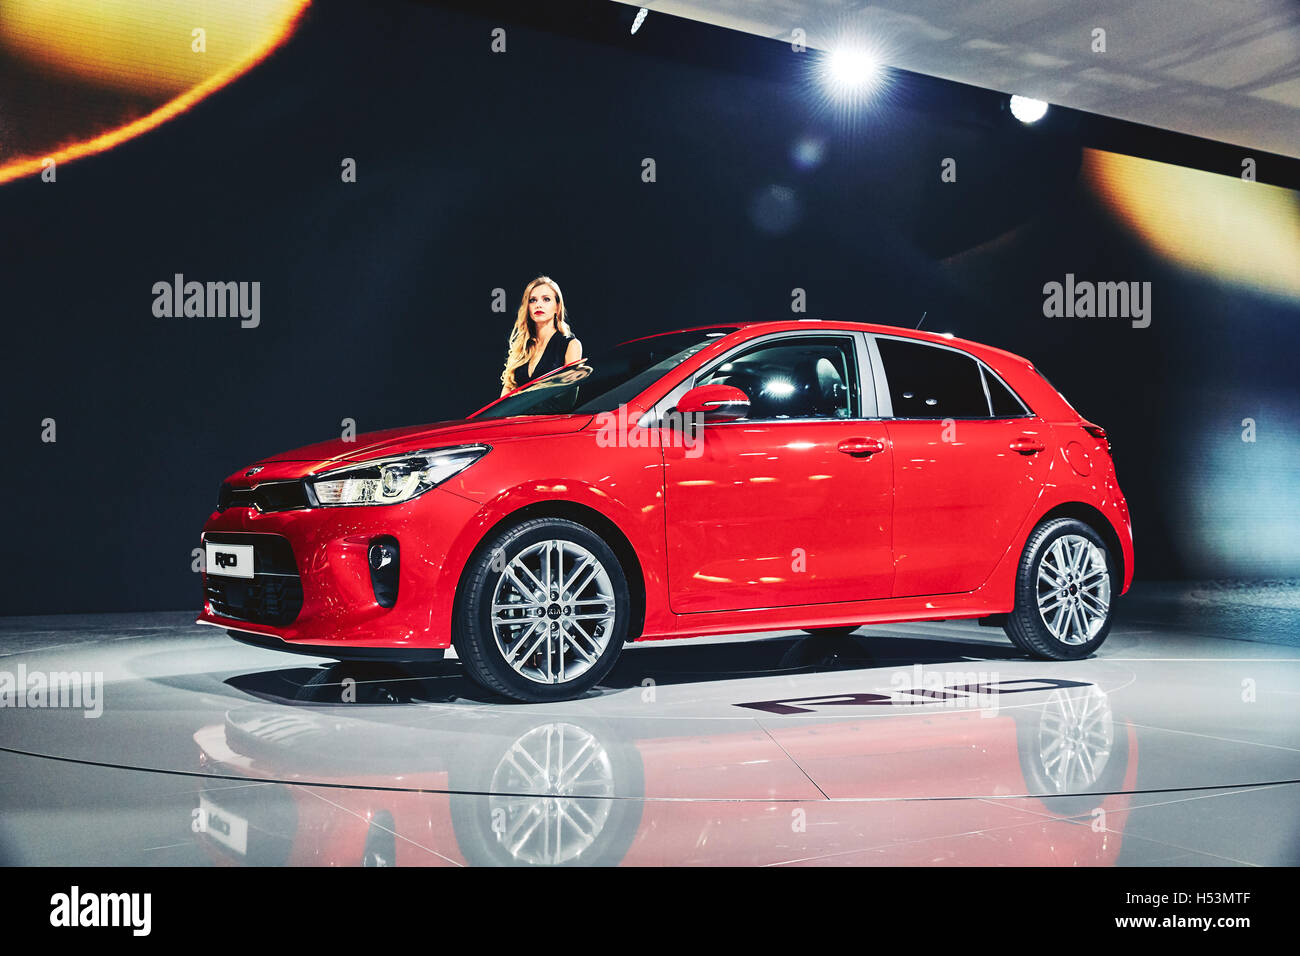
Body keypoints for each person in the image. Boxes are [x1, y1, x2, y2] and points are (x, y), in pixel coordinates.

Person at [499, 275, 583, 396]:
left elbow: (569, 397)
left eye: (546, 299)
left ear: (557, 307)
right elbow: (505, 396)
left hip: (553, 414)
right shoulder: (521, 347)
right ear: (527, 307)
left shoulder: (571, 345)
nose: (538, 305)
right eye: (533, 300)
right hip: (516, 415)